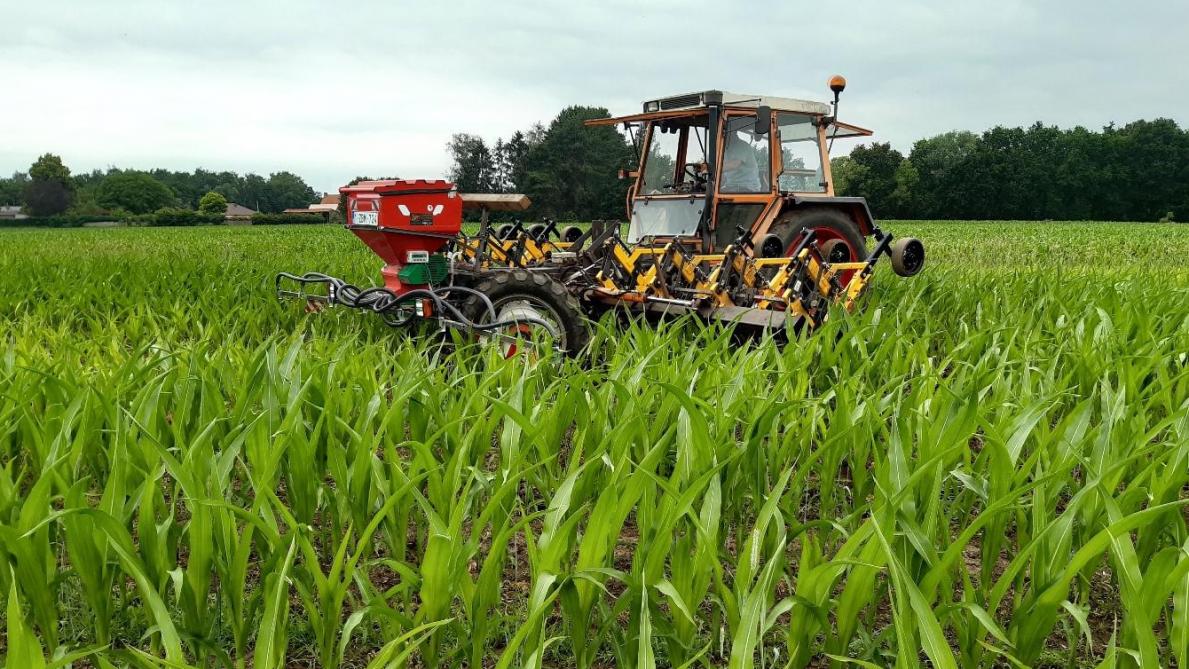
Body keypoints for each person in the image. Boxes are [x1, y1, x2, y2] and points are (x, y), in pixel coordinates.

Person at [721, 128, 763, 192]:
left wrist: (713, 168)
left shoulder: (741, 145)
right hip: (732, 186)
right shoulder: (726, 149)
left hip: (747, 187)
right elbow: (724, 173)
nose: (722, 136)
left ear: (732, 133)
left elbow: (734, 165)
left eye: (723, 133)